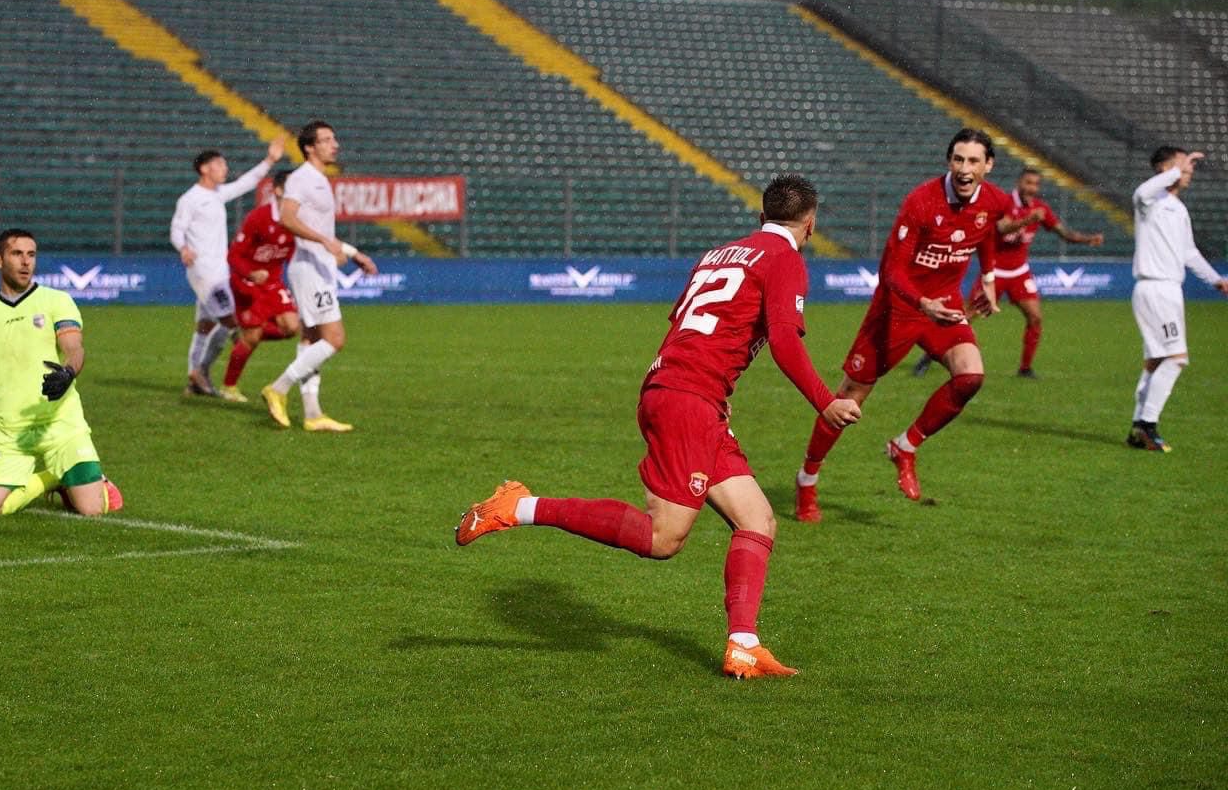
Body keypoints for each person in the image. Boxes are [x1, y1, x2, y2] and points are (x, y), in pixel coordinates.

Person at [455, 175, 861, 679]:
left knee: (758, 518)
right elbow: (784, 340)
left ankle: (743, 645)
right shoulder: (785, 260)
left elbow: (685, 324)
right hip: (687, 401)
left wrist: (709, 396)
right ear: (811, 224)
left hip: (687, 395)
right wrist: (826, 401)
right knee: (662, 539)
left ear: (760, 218)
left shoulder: (720, 254)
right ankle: (518, 506)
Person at [795, 128, 1011, 521]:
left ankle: (905, 447)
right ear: (949, 162)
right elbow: (891, 271)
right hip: (898, 308)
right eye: (958, 160)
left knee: (971, 376)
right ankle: (806, 481)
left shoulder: (995, 201)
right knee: (847, 403)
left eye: (974, 161)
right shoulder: (921, 202)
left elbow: (987, 238)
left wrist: (990, 281)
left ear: (988, 166)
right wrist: (921, 302)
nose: (965, 169)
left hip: (942, 308)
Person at [0, 229, 123, 516]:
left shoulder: (57, 301)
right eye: (17, 254)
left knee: (93, 510)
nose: (26, 262)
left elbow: (74, 348)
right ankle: (55, 476)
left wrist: (68, 372)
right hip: (11, 433)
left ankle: (66, 476)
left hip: (62, 426)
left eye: (31, 254)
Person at [912, 166, 1103, 378]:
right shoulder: (1004, 203)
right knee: (961, 317)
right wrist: (1028, 220)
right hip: (994, 273)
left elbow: (1064, 233)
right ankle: (928, 357)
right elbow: (1002, 229)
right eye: (1028, 183)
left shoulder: (1040, 207)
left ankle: (1025, 368)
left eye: (1036, 184)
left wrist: (1088, 239)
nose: (1032, 187)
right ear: (1019, 183)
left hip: (1019, 272)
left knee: (1035, 318)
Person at [260, 120, 378, 432]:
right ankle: (278, 388)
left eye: (334, 138)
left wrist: (353, 253)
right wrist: (323, 242)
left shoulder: (321, 179)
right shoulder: (301, 178)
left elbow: (325, 232)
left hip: (319, 266)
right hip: (309, 268)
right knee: (334, 339)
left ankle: (312, 414)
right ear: (310, 147)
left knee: (311, 339)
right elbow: (288, 217)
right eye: (326, 140)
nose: (334, 144)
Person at [1125, 146, 1228, 452]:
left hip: (1170, 290)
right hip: (1155, 289)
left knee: (1155, 362)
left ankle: (1137, 428)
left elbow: (1188, 253)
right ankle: (1148, 424)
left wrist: (1216, 280)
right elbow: (1142, 190)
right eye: (1183, 168)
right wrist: (1176, 169)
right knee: (1177, 359)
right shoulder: (1149, 201)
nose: (1188, 174)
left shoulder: (1178, 209)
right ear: (1166, 169)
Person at [170, 136, 285, 398]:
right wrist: (183, 248)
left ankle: (194, 380)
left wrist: (269, 160)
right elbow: (177, 229)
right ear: (204, 169)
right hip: (204, 272)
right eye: (220, 164)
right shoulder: (190, 198)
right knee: (231, 322)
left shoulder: (218, 195)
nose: (225, 168)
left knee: (204, 327)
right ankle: (201, 371)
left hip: (219, 271)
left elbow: (247, 182)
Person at [219, 170, 301, 403]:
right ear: (277, 190)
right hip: (247, 283)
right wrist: (251, 273)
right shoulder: (258, 218)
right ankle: (229, 386)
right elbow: (233, 256)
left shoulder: (296, 219)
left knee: (292, 328)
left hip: (273, 283)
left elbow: (293, 255)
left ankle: (243, 336)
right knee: (253, 336)